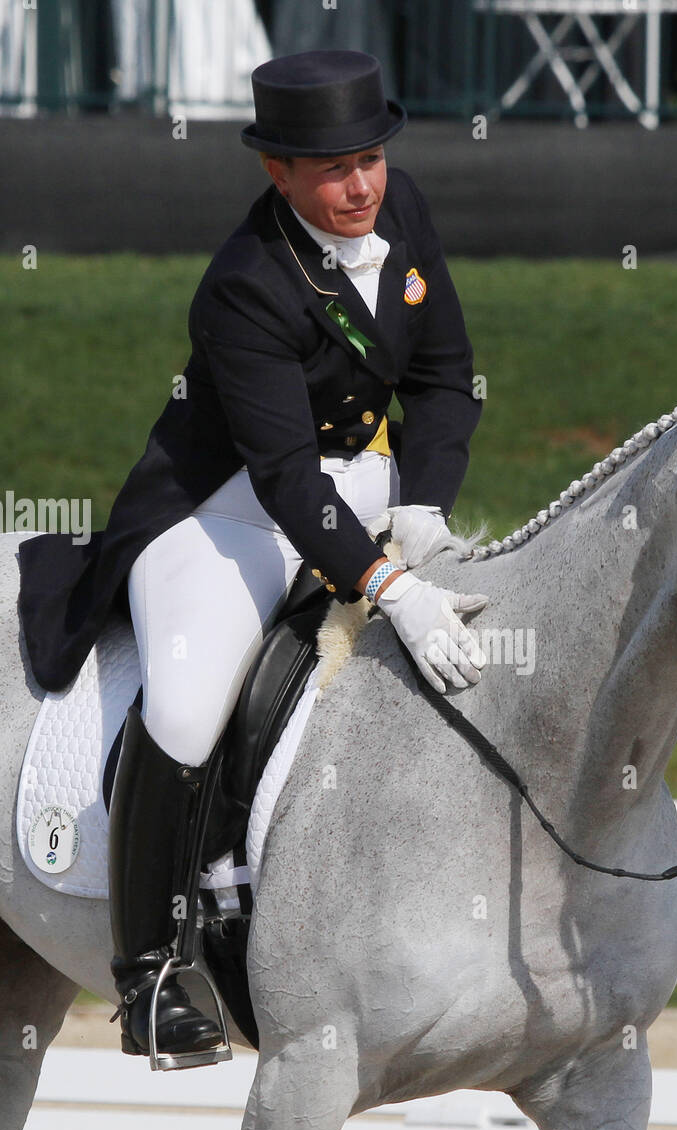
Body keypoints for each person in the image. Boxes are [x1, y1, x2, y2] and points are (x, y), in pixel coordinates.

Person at [17, 50, 488, 1063]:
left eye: (368, 159)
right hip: (220, 514)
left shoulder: (401, 210)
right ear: (276, 171)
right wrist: (386, 584)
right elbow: (281, 474)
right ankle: (148, 974)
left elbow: (446, 382)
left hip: (361, 489)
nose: (359, 186)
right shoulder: (244, 285)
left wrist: (422, 511)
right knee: (185, 704)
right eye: (332, 171)